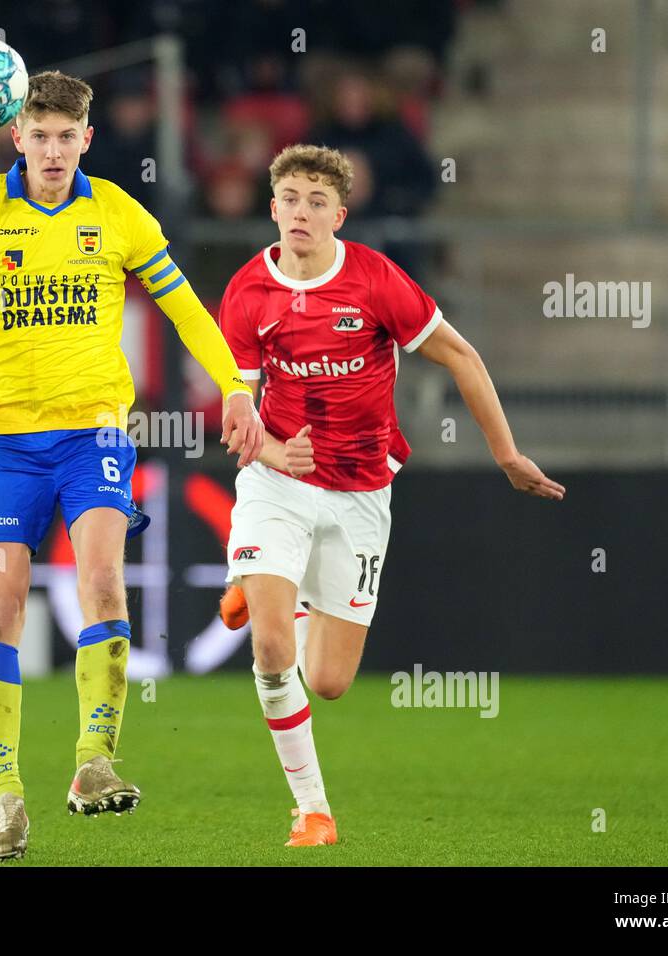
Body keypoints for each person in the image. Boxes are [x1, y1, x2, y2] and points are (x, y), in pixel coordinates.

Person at [0, 71, 264, 861]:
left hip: (94, 435)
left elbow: (185, 308)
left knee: (100, 582)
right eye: (41, 135)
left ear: (87, 139)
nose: (55, 150)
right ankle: (5, 800)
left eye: (69, 136)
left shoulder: (118, 214)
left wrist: (236, 385)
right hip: (2, 442)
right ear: (15, 136)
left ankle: (93, 762)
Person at [216, 144, 564, 847]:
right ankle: (312, 810)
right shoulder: (247, 293)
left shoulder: (374, 280)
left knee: (331, 682)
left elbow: (461, 355)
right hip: (277, 481)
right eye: (290, 198)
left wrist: (506, 453)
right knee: (273, 645)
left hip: (361, 493)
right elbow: (233, 414)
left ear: (340, 215)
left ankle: (266, 583)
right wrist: (276, 450)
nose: (302, 212)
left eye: (318, 202)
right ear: (273, 207)